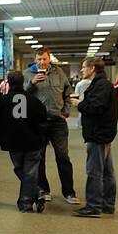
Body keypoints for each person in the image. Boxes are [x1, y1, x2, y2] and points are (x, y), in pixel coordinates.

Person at [0, 70, 49, 211]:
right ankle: (36, 193)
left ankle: (26, 203)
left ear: (8, 83)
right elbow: (43, 116)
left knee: (20, 169)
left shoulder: (3, 100)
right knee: (29, 172)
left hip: (13, 142)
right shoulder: (32, 100)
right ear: (22, 81)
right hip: (33, 141)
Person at [25, 48, 79, 205]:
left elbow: (69, 94)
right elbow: (22, 97)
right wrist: (32, 84)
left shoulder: (59, 73)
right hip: (38, 122)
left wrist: (66, 112)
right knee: (39, 157)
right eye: (39, 59)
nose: (42, 62)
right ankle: (43, 190)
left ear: (49, 60)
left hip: (57, 121)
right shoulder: (27, 74)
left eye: (44, 59)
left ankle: (69, 192)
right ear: (35, 60)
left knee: (63, 156)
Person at [72, 56, 118, 217]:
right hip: (103, 133)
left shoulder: (101, 86)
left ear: (92, 68)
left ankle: (93, 206)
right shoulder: (103, 84)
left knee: (95, 172)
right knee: (107, 172)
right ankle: (107, 205)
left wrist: (80, 104)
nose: (82, 70)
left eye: (84, 67)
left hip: (98, 133)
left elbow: (95, 108)